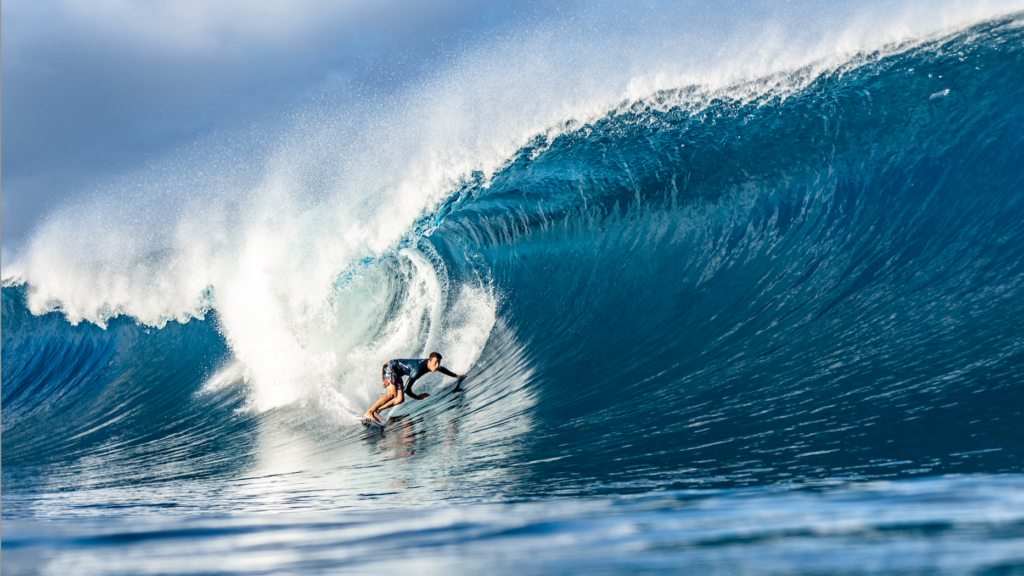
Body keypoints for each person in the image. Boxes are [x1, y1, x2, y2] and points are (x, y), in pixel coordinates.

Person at [363, 352, 465, 424]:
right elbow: (406, 389)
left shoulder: (430, 365)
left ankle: (377, 410)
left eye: (438, 363)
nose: (437, 365)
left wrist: (455, 376)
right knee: (392, 394)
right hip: (390, 368)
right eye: (435, 363)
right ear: (429, 362)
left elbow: (442, 369)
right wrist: (418, 397)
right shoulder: (418, 370)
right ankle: (370, 412)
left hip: (397, 373)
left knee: (400, 399)